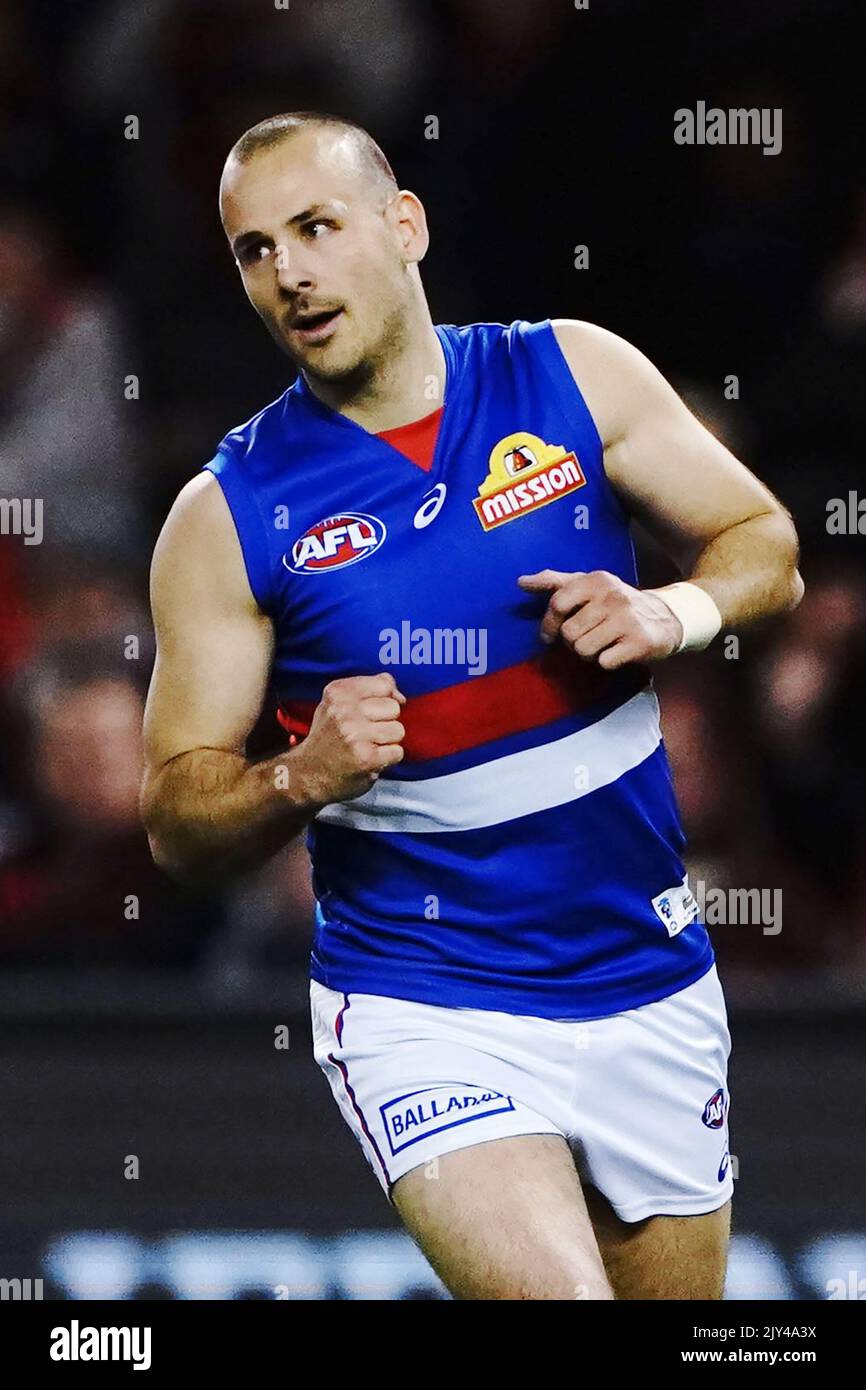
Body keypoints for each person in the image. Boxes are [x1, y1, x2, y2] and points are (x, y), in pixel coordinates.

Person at [140, 111, 803, 1300]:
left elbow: (764, 543)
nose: (286, 270)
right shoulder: (225, 515)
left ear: (405, 228)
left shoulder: (571, 371)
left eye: (314, 228)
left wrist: (670, 614)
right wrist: (297, 773)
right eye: (252, 249)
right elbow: (174, 821)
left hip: (641, 972)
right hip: (423, 998)